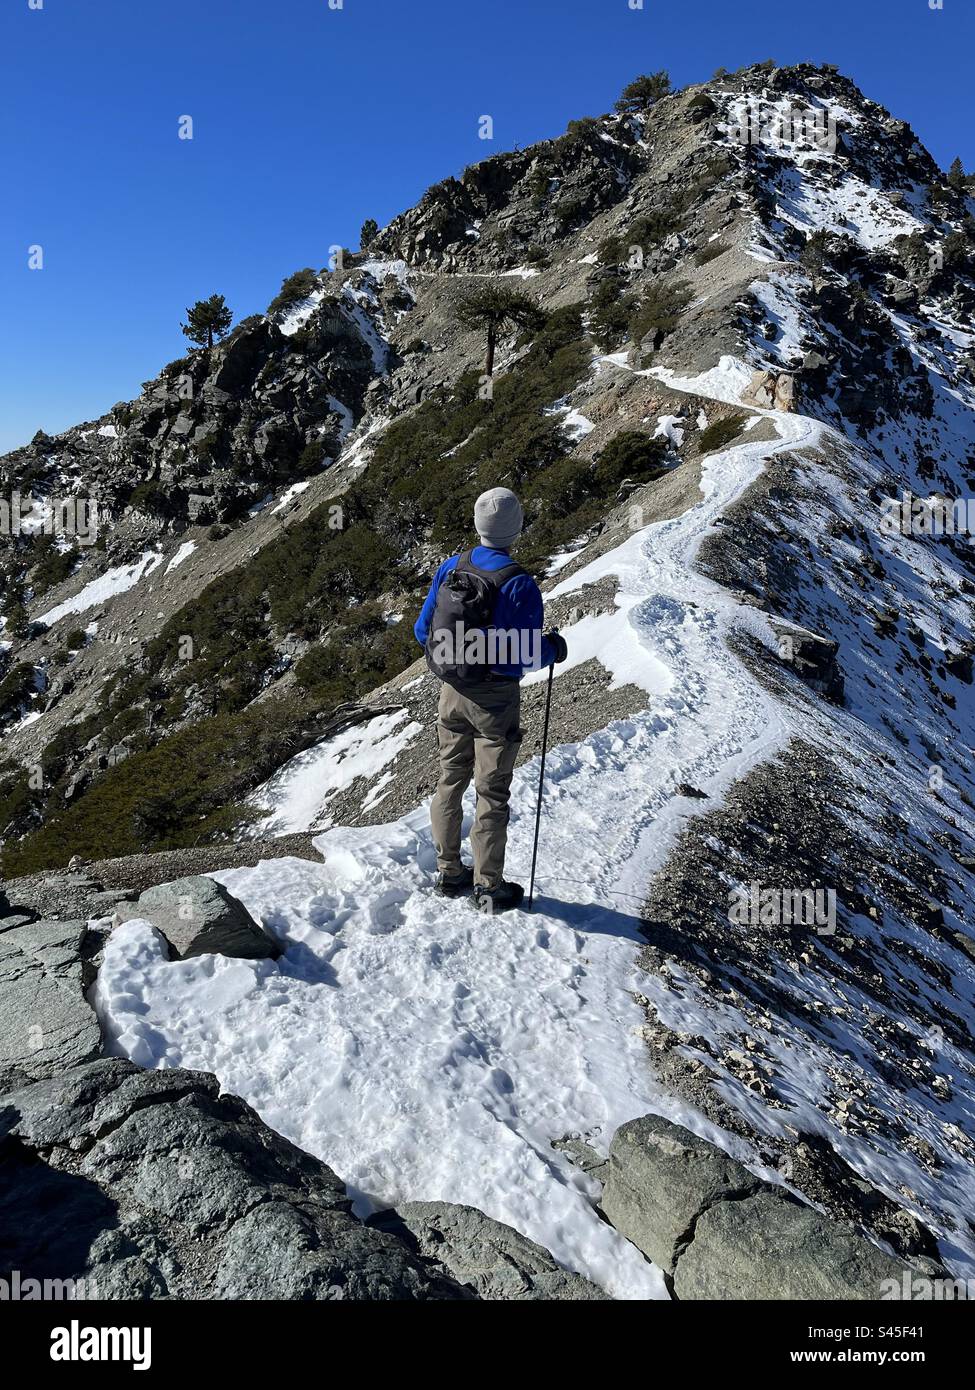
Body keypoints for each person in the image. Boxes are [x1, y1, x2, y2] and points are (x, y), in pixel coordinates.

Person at [414, 487, 567, 912]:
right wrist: (555, 648)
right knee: (491, 791)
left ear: (478, 524)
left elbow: (422, 632)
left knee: (450, 779)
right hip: (495, 700)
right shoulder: (518, 583)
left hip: (451, 691)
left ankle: (448, 873)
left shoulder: (452, 567)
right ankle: (488, 885)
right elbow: (526, 654)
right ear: (516, 528)